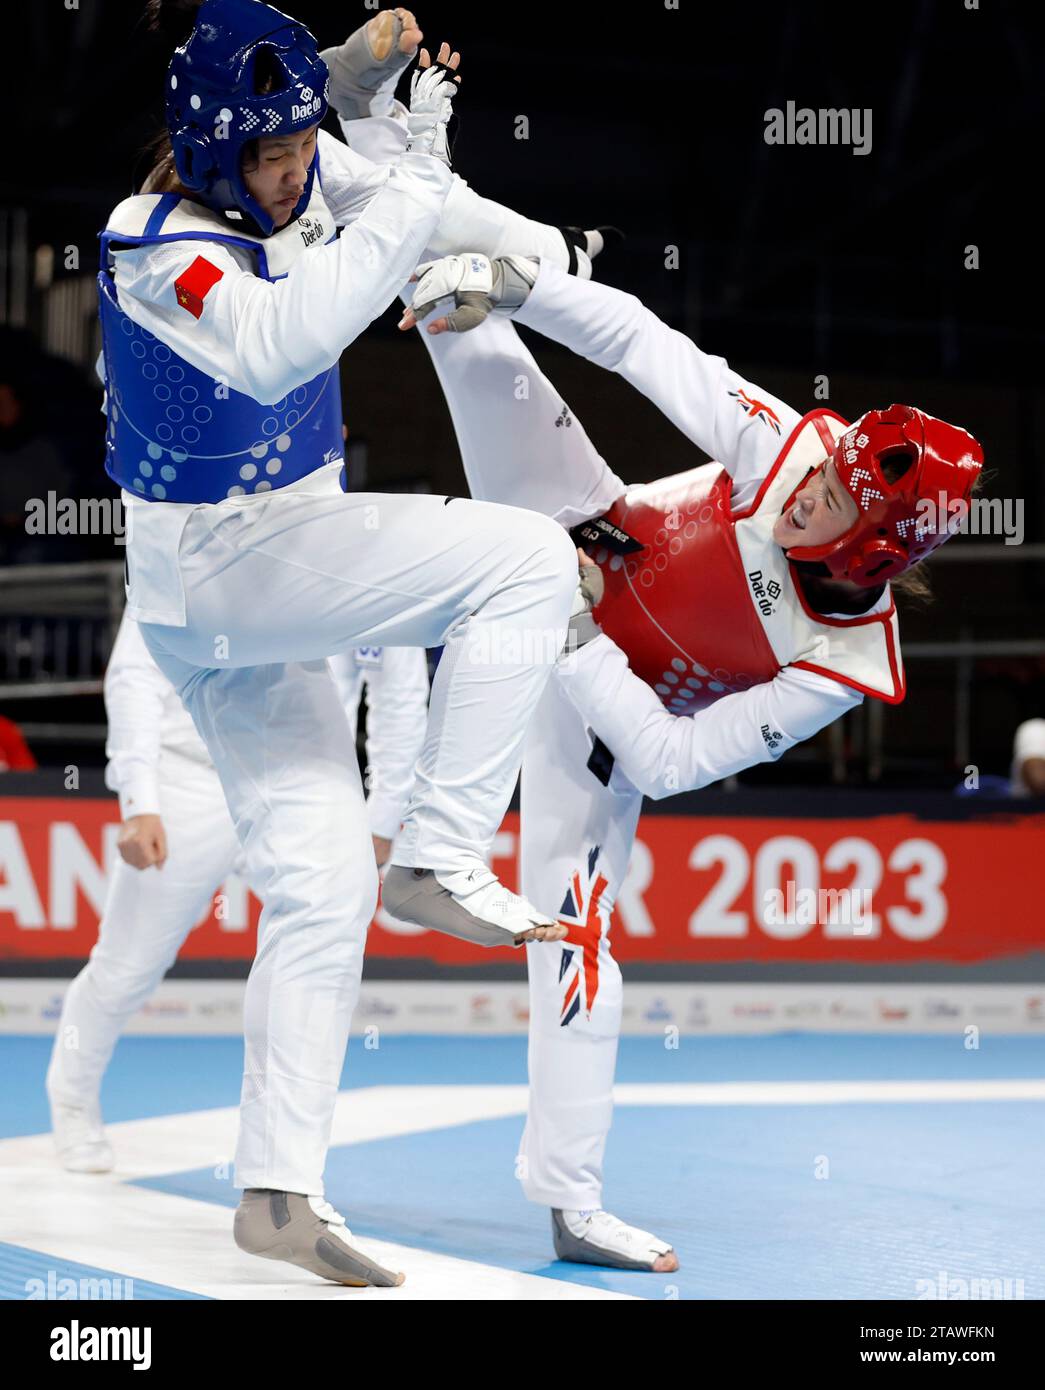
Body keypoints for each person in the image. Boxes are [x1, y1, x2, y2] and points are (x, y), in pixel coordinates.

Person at [98, 0, 599, 1285]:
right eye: (267, 158)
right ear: (212, 156)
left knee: (319, 889)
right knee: (529, 559)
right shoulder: (149, 243)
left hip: (262, 591)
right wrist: (401, 195)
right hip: (225, 566)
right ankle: (439, 849)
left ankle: (276, 1192)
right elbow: (279, 344)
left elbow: (450, 217)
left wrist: (533, 260)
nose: (294, 173)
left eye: (302, 147)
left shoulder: (309, 166)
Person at [383, 243, 985, 1271]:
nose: (806, 495)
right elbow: (642, 344)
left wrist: (572, 628)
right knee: (460, 299)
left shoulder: (841, 660)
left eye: (834, 505)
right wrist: (529, 286)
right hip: (570, 520)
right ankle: (386, 141)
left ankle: (571, 1206)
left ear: (871, 551)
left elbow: (664, 761)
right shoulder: (795, 449)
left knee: (574, 947)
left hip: (597, 722)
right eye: (823, 478)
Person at [45, 611, 430, 1174]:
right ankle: (73, 1099)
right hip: (187, 774)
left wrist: (382, 816)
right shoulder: (185, 524)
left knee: (319, 959)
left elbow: (398, 691)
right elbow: (135, 670)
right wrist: (138, 797)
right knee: (128, 965)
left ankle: (288, 1158)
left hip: (304, 780)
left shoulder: (360, 546)